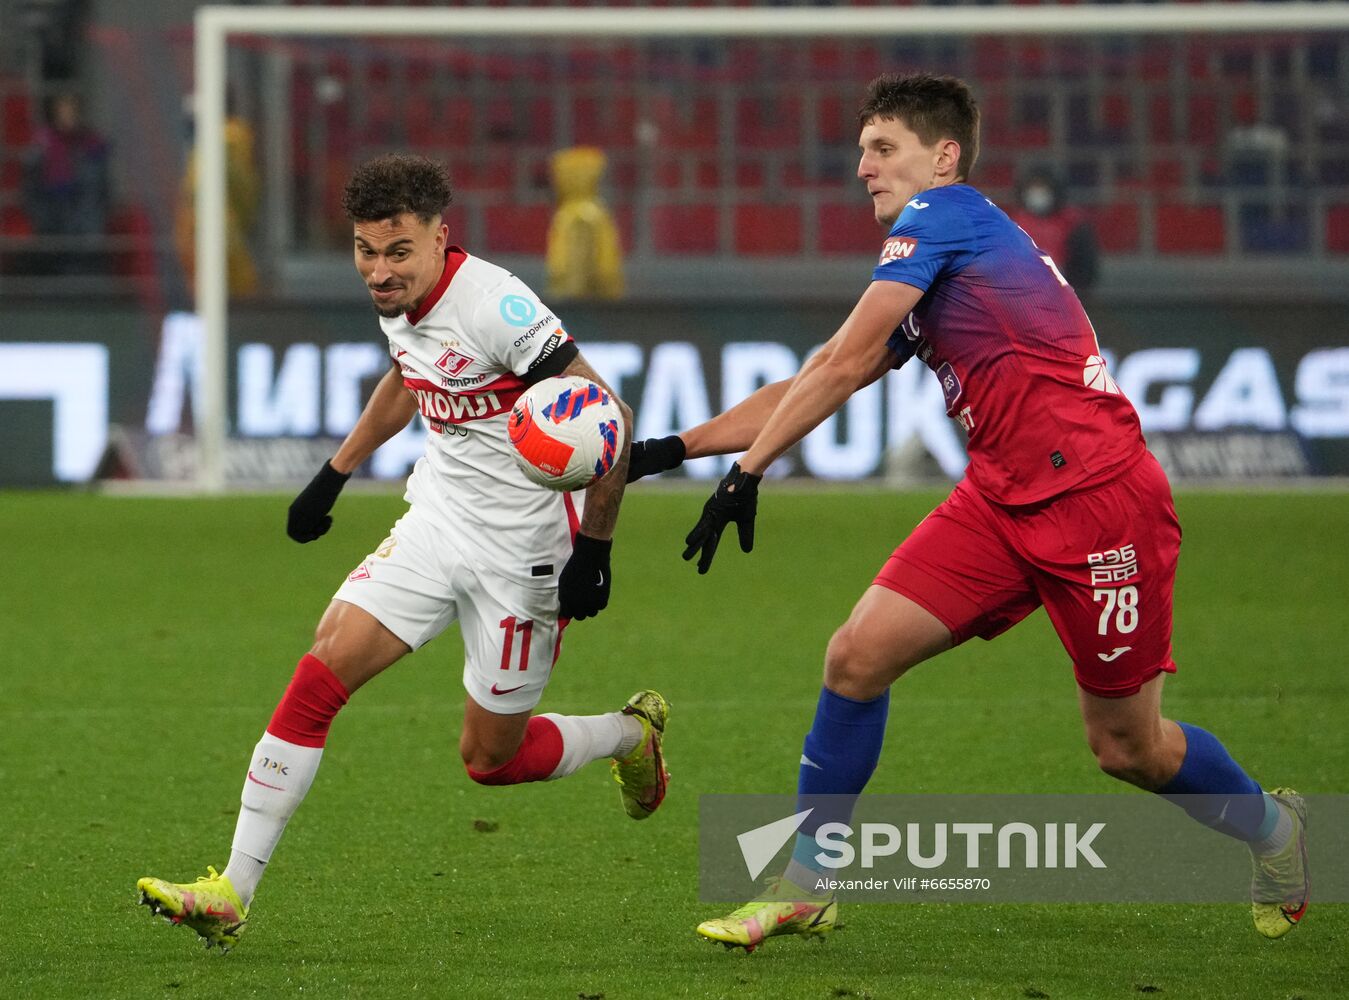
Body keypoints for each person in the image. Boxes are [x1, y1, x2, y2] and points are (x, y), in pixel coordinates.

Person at [627, 74, 1307, 951]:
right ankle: (808, 884)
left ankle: (1275, 830)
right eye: (861, 150)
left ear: (941, 157)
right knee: (856, 657)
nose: (862, 168)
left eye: (882, 149)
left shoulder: (944, 215)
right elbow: (828, 367)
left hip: (1100, 505)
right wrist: (677, 448)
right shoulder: (942, 254)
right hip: (999, 497)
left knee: (1127, 749)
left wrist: (747, 475)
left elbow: (839, 360)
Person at [136, 153, 669, 950]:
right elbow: (407, 374)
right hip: (437, 519)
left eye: (396, 253)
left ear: (439, 240)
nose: (378, 272)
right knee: (324, 665)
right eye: (363, 251)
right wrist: (334, 472)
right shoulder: (400, 301)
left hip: (522, 554)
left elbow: (609, 416)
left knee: (490, 759)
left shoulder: (498, 307)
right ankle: (230, 890)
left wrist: (594, 548)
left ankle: (630, 736)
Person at [21, 92, 109, 275]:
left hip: (81, 202)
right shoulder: (43, 140)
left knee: (85, 225)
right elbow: (30, 177)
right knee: (50, 236)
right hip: (49, 201)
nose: (67, 118)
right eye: (63, 113)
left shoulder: (91, 141)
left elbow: (101, 182)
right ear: (55, 114)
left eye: (71, 113)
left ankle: (81, 271)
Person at [545, 146, 625, 301]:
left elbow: (577, 273)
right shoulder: (593, 210)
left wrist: (567, 301)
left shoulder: (580, 216)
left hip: (581, 304)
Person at [1005, 166, 1100, 293]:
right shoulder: (1011, 226)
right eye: (1034, 188)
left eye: (1043, 188)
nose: (1038, 193)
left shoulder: (1074, 224)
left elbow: (1085, 268)